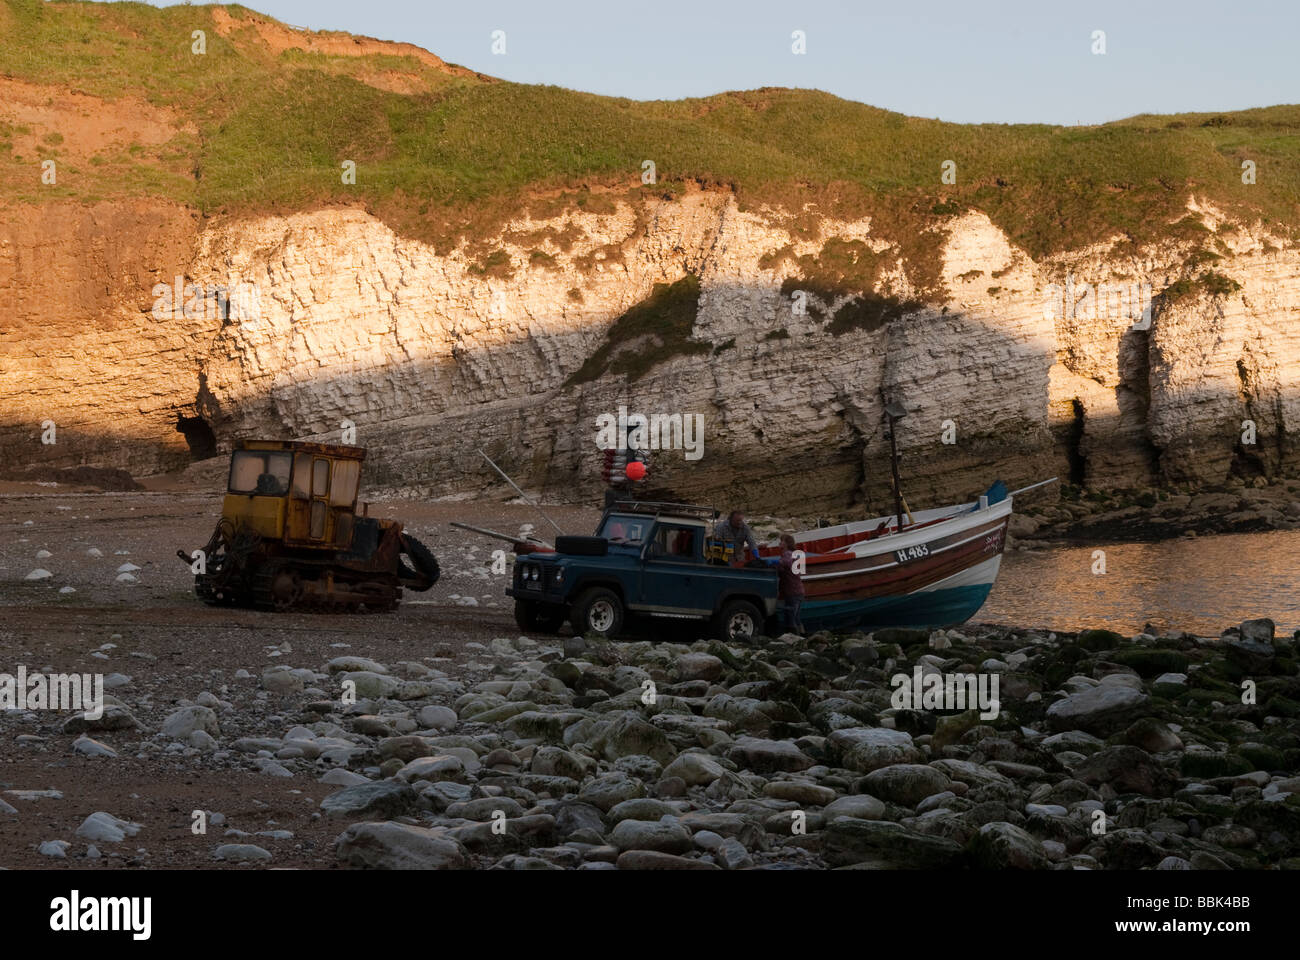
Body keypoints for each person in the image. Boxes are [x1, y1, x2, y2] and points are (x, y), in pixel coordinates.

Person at [777, 533, 806, 635]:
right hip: (798, 590)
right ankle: (801, 636)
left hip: (793, 592)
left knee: (791, 617)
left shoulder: (787, 555)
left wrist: (775, 564)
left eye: (782, 541)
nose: (779, 543)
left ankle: (795, 637)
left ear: (786, 544)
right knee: (796, 617)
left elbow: (786, 563)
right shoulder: (793, 554)